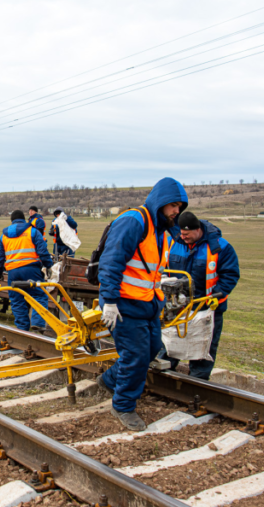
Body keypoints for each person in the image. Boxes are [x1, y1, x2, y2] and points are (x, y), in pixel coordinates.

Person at [96, 177, 188, 431]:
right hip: (124, 303)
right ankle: (123, 405)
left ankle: (109, 380)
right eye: (173, 205)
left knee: (151, 350)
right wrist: (111, 302)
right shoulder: (134, 222)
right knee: (135, 355)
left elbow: (149, 268)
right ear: (160, 202)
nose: (176, 211)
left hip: (148, 304)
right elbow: (111, 262)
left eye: (179, 206)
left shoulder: (161, 230)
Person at [163, 211, 240, 380]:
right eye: (181, 234)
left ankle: (198, 383)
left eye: (187, 234)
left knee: (203, 348)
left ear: (198, 230)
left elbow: (231, 274)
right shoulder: (172, 242)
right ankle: (162, 375)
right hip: (176, 307)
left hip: (207, 307)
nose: (183, 237)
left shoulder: (220, 247)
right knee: (168, 344)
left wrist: (217, 294)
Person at [0, 209, 54, 332]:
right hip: (31, 270)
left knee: (16, 299)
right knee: (39, 295)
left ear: (12, 221)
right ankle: (37, 323)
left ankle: (22, 328)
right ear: (24, 219)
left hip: (13, 273)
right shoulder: (32, 231)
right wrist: (48, 265)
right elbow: (43, 251)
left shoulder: (4, 236)